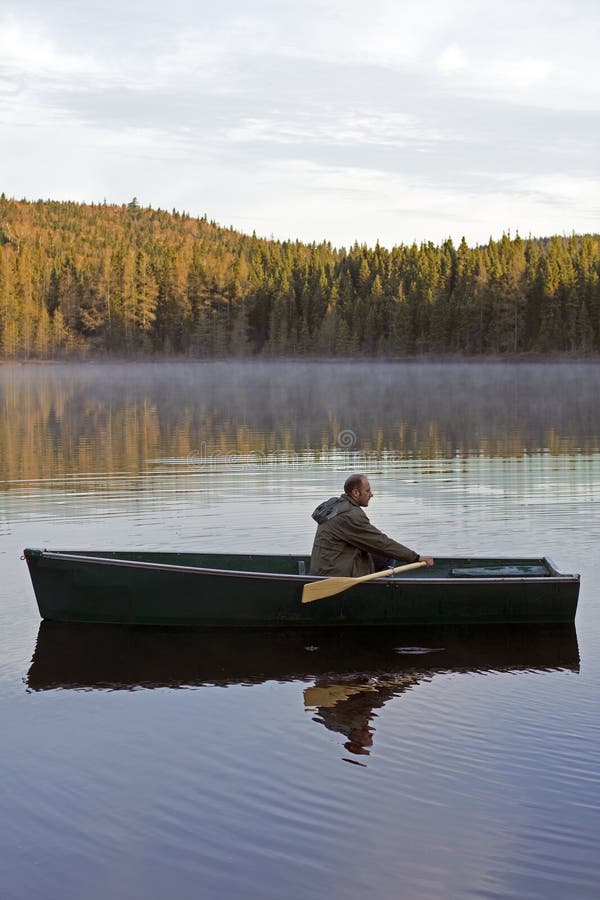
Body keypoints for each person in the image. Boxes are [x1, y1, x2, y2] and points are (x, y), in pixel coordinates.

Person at [309, 473, 434, 577]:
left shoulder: (337, 507)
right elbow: (380, 542)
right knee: (386, 556)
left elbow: (373, 540)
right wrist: (415, 558)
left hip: (324, 567)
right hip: (334, 573)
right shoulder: (350, 514)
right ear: (356, 493)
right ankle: (380, 591)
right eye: (367, 491)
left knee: (381, 555)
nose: (371, 495)